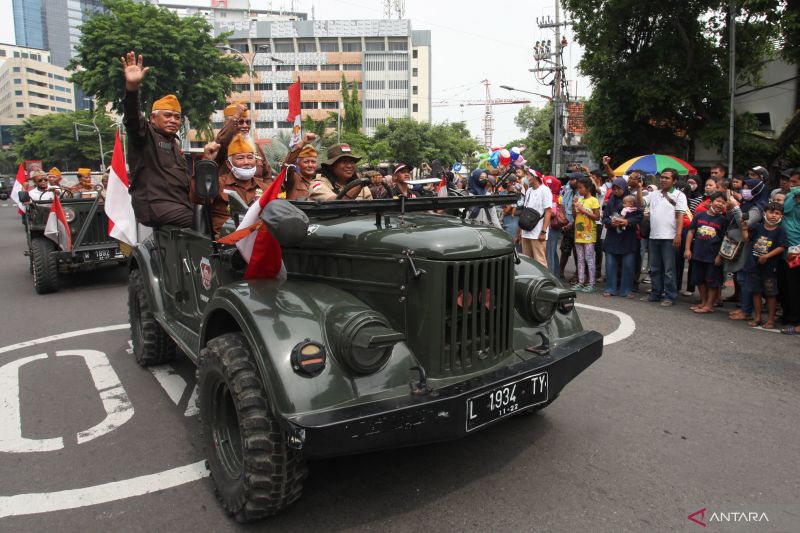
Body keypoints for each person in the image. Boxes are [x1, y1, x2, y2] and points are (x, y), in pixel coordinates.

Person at [120, 51, 192, 228]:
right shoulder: (145, 136)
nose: (173, 120)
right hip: (156, 206)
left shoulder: (174, 144)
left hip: (179, 206)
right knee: (203, 220)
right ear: (153, 118)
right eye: (167, 115)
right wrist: (132, 88)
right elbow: (133, 119)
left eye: (177, 117)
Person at [199, 134, 261, 236]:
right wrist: (206, 161)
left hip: (256, 240)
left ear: (256, 161)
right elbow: (198, 199)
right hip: (226, 243)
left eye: (250, 158)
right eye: (240, 158)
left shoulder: (264, 187)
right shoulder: (218, 184)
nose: (246, 162)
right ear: (229, 164)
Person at [641, 168, 687, 306]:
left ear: (674, 181)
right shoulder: (654, 194)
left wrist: (678, 235)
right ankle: (655, 293)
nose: (663, 180)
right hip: (654, 236)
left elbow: (680, 216)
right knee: (654, 267)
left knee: (669, 269)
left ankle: (670, 295)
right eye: (662, 177)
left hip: (670, 237)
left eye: (667, 178)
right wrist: (638, 188)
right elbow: (640, 202)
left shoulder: (679, 195)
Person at [739, 202, 787, 329]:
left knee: (771, 294)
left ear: (781, 216)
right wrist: (744, 229)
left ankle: (771, 320)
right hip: (754, 265)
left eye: (777, 214)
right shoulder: (758, 227)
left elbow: (782, 247)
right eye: (771, 212)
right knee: (756, 292)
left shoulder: (780, 230)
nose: (773, 216)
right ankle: (758, 317)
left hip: (770, 268)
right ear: (764, 213)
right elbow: (747, 239)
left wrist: (767, 256)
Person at [727, 179, 768, 321]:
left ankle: (746, 310)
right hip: (738, 244)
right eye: (744, 188)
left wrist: (736, 208)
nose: (744, 191)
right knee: (740, 276)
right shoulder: (747, 204)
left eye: (748, 188)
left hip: (748, 244)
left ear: (756, 190)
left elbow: (745, 224)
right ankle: (744, 308)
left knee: (745, 277)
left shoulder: (758, 206)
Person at [685, 192, 728, 314]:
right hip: (698, 254)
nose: (720, 204)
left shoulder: (724, 220)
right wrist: (687, 249)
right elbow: (691, 232)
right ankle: (703, 302)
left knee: (712, 282)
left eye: (723, 203)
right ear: (710, 202)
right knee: (699, 280)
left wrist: (720, 256)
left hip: (713, 256)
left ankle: (709, 305)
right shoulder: (700, 216)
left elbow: (726, 239)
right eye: (718, 201)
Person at [214, 102, 272, 189]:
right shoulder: (223, 146)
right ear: (228, 124)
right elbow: (221, 140)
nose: (245, 126)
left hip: (257, 198)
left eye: (248, 122)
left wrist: (267, 192)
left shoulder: (255, 146)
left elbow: (267, 175)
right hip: (231, 197)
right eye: (240, 122)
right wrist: (236, 116)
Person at [602, 178, 642, 298]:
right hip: (613, 236)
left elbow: (639, 216)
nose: (616, 191)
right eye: (614, 189)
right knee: (610, 265)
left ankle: (626, 290)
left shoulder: (632, 201)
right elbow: (604, 218)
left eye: (618, 188)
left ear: (624, 188)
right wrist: (611, 222)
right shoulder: (610, 202)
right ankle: (610, 288)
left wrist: (627, 221)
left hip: (628, 237)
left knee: (628, 265)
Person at [779, 171, 800, 334]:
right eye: (791, 182)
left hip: (797, 249)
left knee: (795, 286)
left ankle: (795, 320)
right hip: (783, 248)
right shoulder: (790, 199)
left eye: (795, 182)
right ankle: (786, 315)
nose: (792, 185)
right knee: (784, 284)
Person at [571, 177, 600, 292]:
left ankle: (591, 283)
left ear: (588, 188)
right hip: (578, 232)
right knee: (580, 259)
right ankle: (580, 281)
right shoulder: (580, 200)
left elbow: (597, 217)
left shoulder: (593, 200)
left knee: (589, 258)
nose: (579, 190)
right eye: (578, 188)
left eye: (581, 188)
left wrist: (583, 210)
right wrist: (574, 205)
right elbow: (575, 216)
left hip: (589, 233)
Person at [518, 169, 552, 266]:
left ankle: (542, 280)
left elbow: (548, 212)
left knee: (539, 261)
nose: (526, 177)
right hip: (526, 232)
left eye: (528, 175)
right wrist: (520, 231)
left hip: (538, 232)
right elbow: (525, 211)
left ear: (534, 177)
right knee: (527, 261)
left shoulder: (545, 190)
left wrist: (543, 232)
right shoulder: (529, 190)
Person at [559, 172, 583, 281]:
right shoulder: (568, 192)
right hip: (567, 225)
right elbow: (562, 206)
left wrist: (571, 224)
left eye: (573, 179)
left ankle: (577, 274)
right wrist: (564, 221)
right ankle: (560, 272)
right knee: (564, 250)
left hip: (578, 226)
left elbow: (581, 213)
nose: (570, 181)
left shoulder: (582, 194)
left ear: (578, 181)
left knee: (577, 251)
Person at [282, 133, 318, 200]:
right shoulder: (293, 178)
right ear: (298, 164)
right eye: (306, 162)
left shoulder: (321, 180)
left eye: (313, 162)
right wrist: (302, 143)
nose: (310, 165)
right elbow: (287, 166)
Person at [543, 175, 563, 276]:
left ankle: (551, 277)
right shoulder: (556, 196)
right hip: (553, 228)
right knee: (553, 253)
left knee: (549, 254)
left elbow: (553, 212)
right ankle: (556, 276)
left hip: (550, 228)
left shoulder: (552, 196)